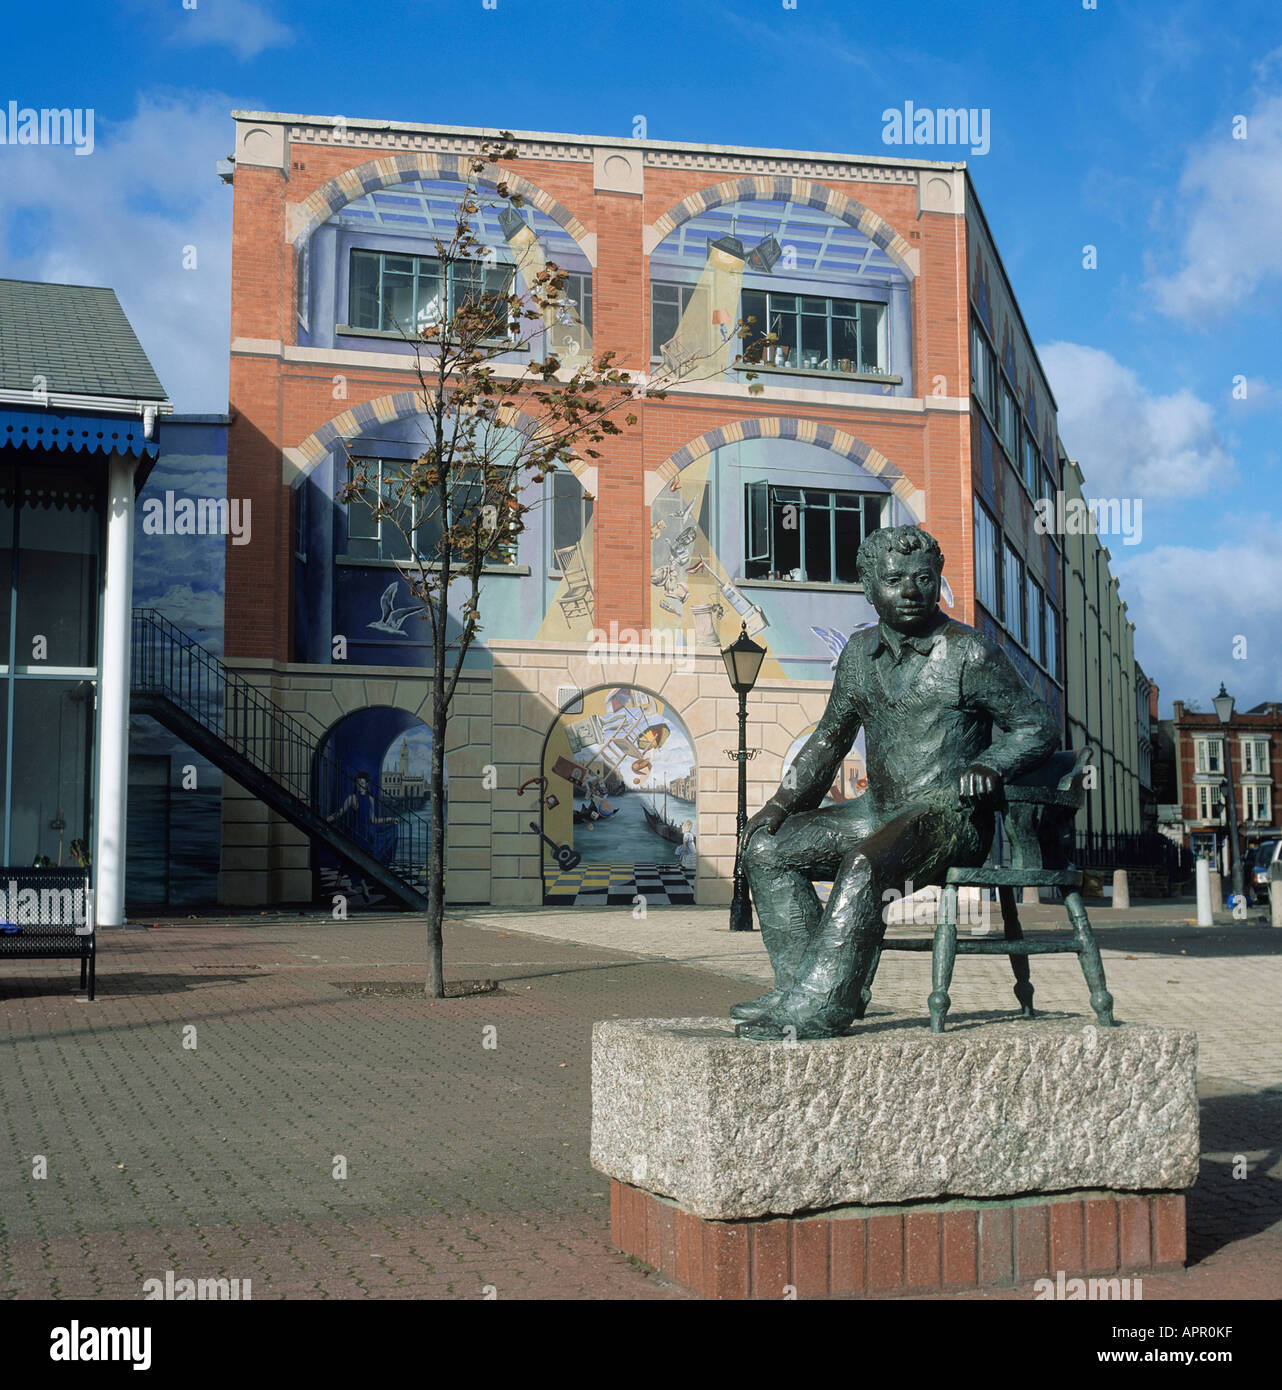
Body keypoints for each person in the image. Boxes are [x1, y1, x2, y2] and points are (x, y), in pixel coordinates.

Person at [735, 524, 1060, 1041]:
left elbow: (1037, 726)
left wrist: (992, 765)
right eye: (894, 580)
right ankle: (801, 985)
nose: (911, 591)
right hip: (877, 811)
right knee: (767, 848)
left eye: (924, 579)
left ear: (938, 583)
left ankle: (823, 1005)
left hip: (949, 819)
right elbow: (827, 741)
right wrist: (780, 805)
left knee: (864, 864)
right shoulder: (859, 655)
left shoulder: (970, 653)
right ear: (868, 588)